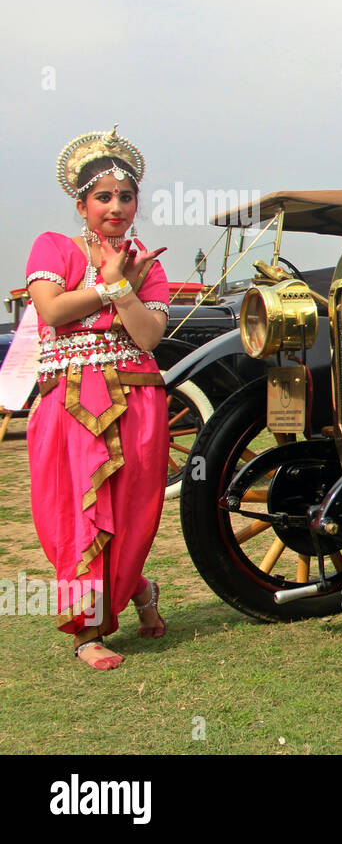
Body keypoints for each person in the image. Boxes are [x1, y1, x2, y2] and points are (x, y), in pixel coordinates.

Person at [26, 126, 170, 669]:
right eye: (103, 196)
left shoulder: (147, 263)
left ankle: (133, 585)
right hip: (68, 404)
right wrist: (109, 285)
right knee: (72, 513)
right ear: (81, 203)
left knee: (131, 512)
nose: (116, 206)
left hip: (137, 402)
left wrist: (125, 285)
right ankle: (90, 629)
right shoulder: (53, 247)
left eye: (126, 196)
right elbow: (53, 311)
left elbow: (149, 337)